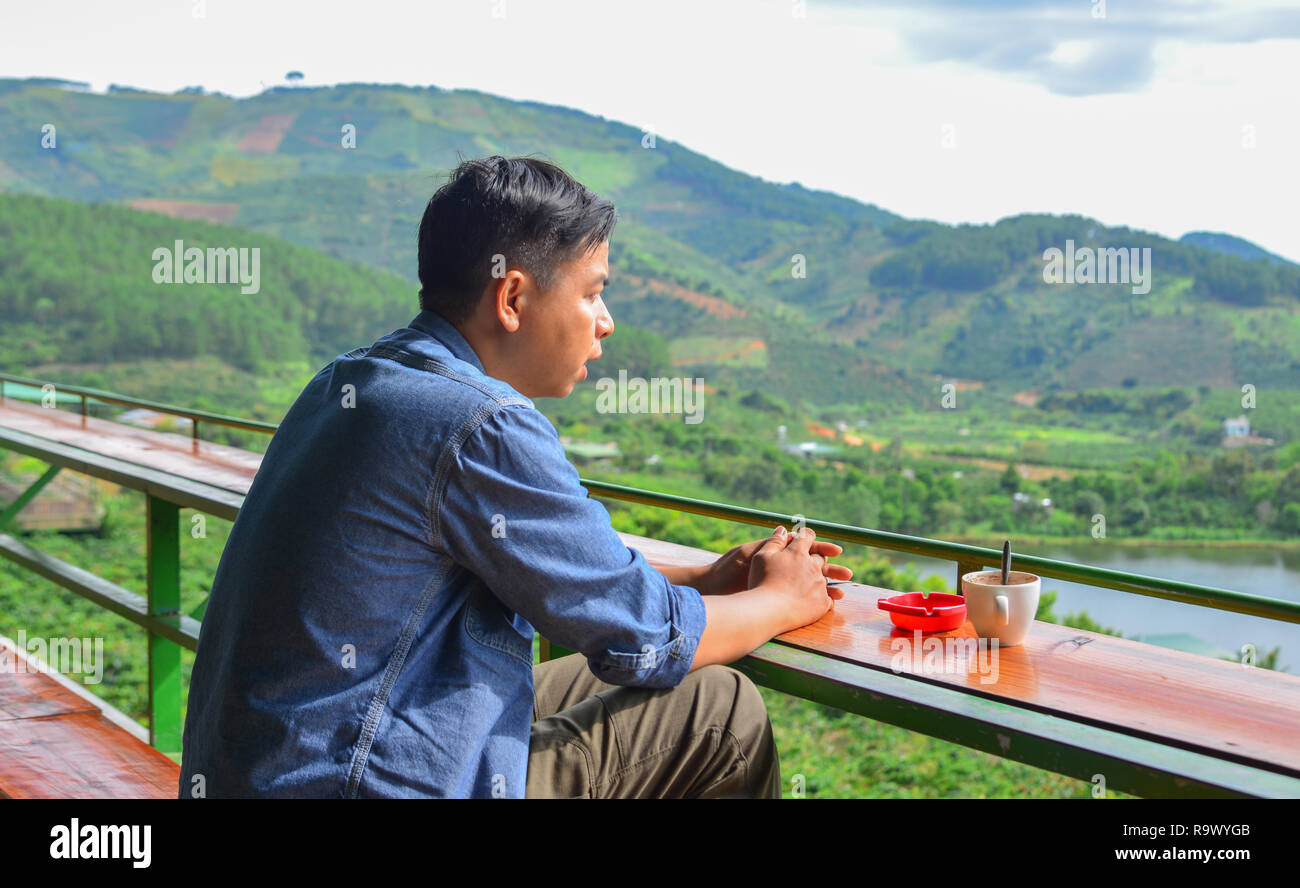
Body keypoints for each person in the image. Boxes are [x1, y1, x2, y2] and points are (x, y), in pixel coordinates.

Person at [177, 155, 851, 799]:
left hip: (267, 771)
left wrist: (704, 580)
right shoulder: (480, 424)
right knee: (718, 712)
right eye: (593, 294)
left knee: (574, 688)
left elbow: (552, 564)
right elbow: (640, 642)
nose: (607, 324)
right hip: (348, 779)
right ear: (513, 297)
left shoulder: (353, 382)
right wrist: (785, 600)